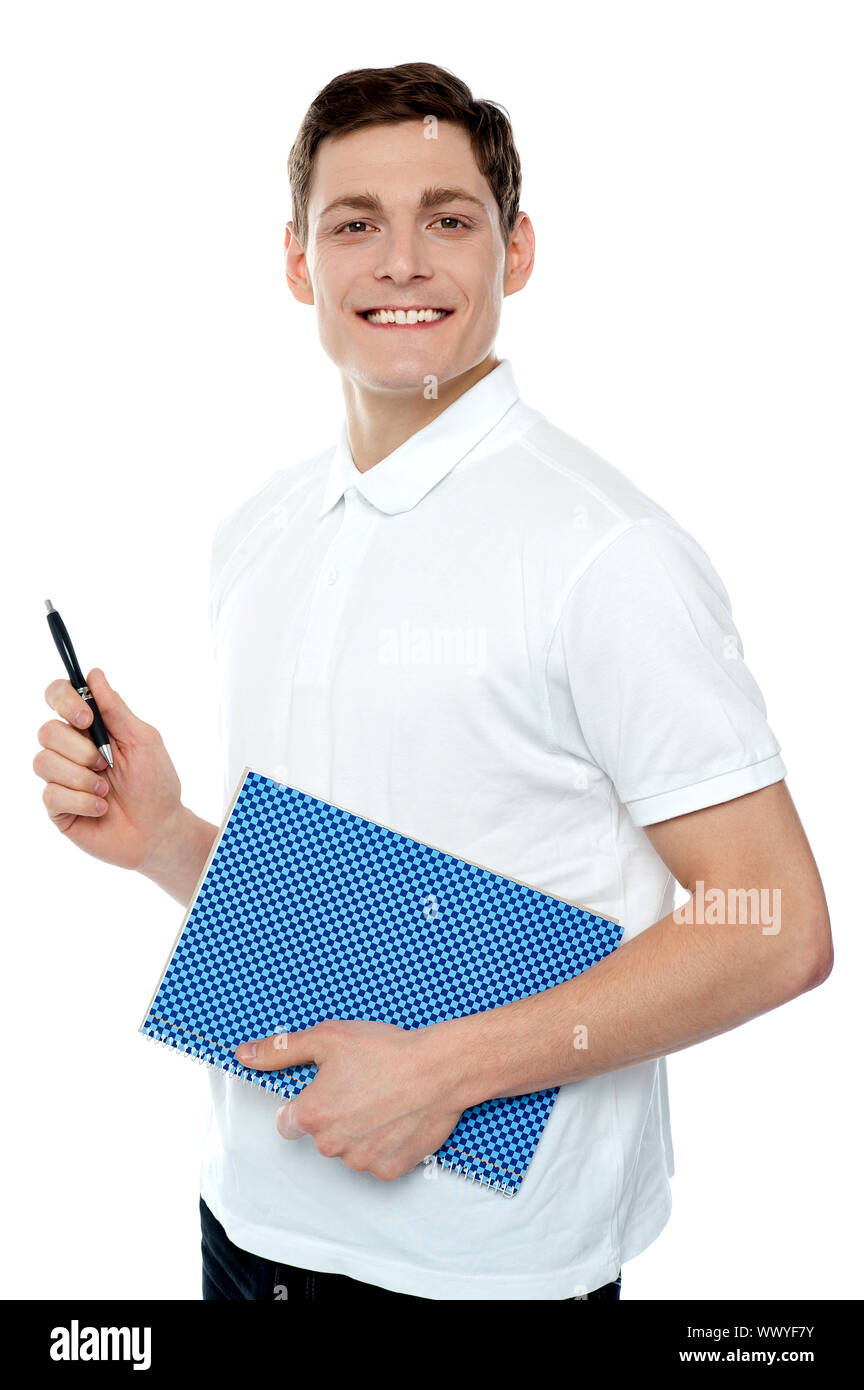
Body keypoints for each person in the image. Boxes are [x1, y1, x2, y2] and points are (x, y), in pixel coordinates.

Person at [34, 61, 833, 1302]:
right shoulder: (258, 530)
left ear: (515, 252)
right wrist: (167, 840)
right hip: (248, 1226)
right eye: (355, 223)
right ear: (298, 263)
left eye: (448, 219)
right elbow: (357, 894)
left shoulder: (604, 554)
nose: (400, 262)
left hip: (484, 1277)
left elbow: (774, 923)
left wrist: (446, 1071)